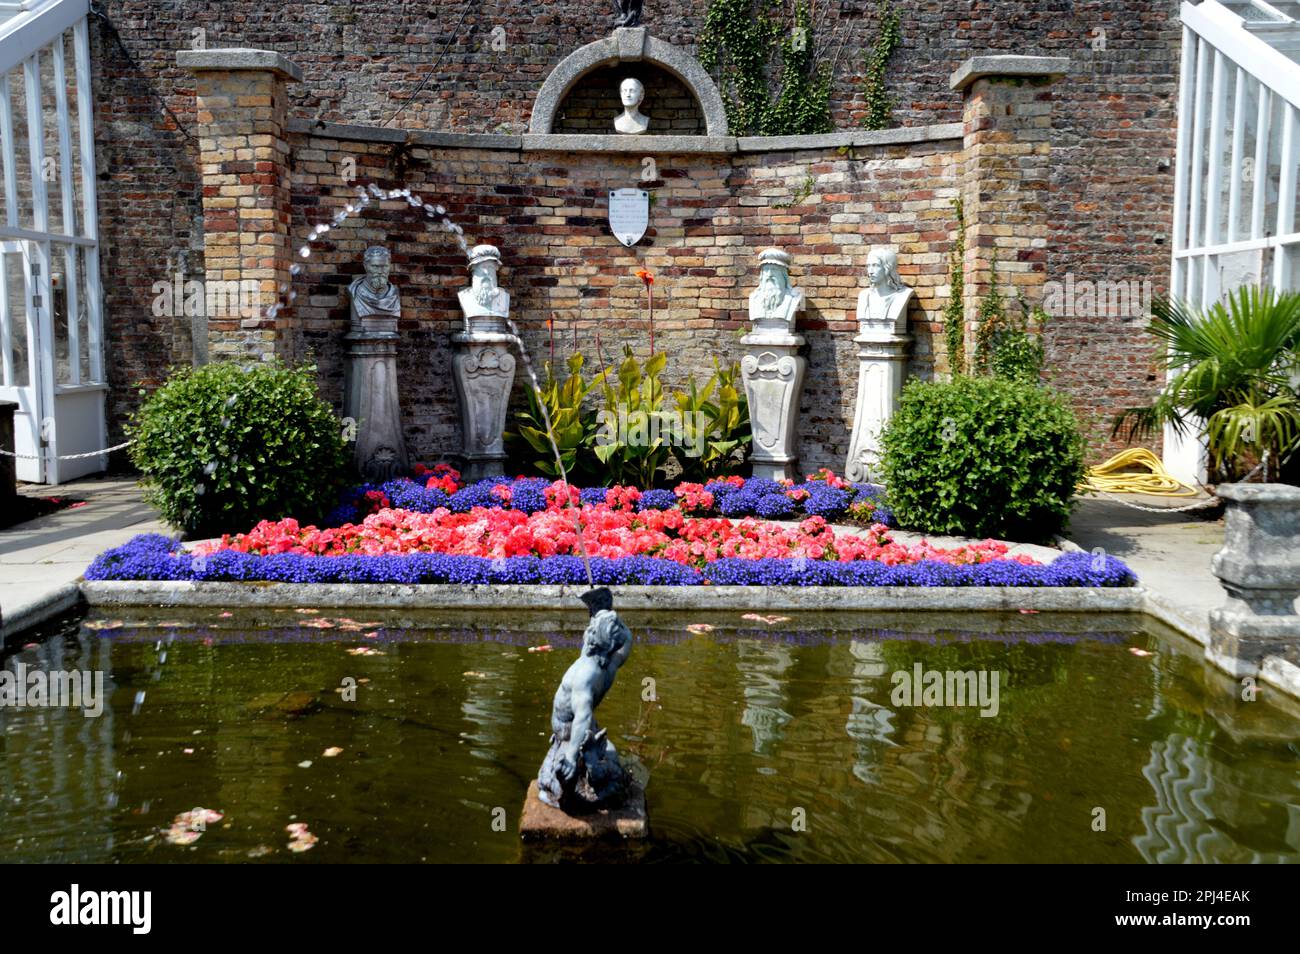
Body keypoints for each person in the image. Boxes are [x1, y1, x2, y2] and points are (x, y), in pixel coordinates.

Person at [536, 587, 634, 812]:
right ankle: (562, 781)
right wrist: (571, 754)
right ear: (610, 643)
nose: (622, 632)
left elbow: (627, 640)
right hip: (568, 727)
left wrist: (604, 610)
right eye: (616, 629)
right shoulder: (587, 676)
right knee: (565, 772)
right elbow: (581, 717)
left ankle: (590, 773)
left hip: (586, 725)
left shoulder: (606, 662)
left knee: (611, 762)